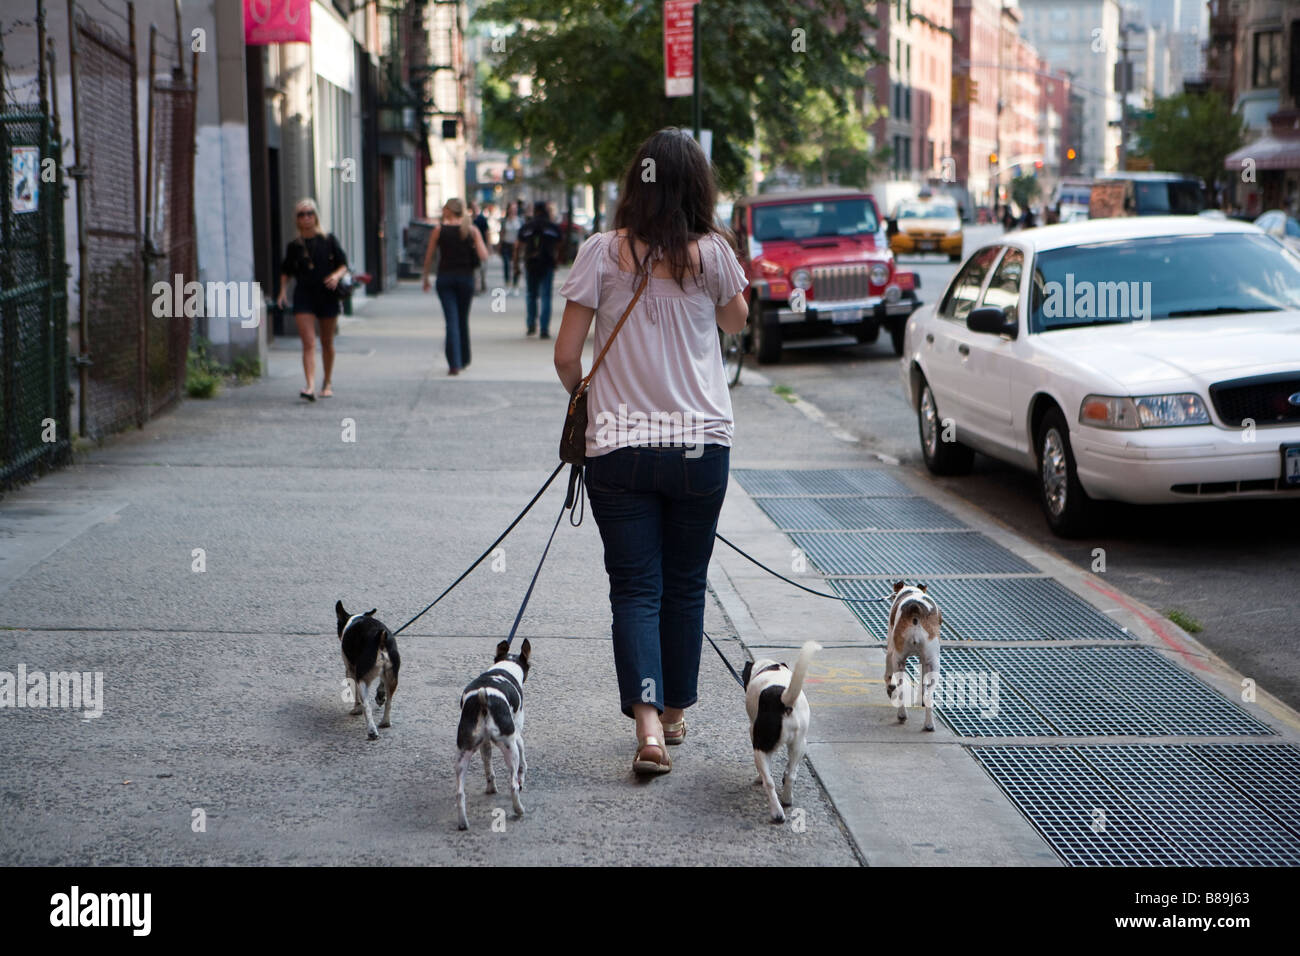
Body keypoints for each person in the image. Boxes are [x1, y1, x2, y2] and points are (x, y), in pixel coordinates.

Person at [554, 128, 749, 776]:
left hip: (620, 449)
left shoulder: (600, 255)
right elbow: (737, 322)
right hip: (699, 445)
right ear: (698, 188)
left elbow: (566, 354)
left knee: (636, 588)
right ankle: (673, 711)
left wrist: (593, 397)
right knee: (686, 584)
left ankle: (648, 730)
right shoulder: (712, 256)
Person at [277, 197, 349, 400]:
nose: (306, 217)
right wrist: (282, 291)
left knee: (326, 341)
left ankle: (327, 382)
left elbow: (343, 264)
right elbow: (286, 270)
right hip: (304, 295)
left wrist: (336, 276)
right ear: (297, 219)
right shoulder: (294, 246)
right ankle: (309, 385)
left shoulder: (328, 240)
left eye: (310, 213)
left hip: (327, 294)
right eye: (302, 214)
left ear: (316, 216)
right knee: (308, 342)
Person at [421, 198, 491, 376]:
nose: (443, 211)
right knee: (462, 319)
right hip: (465, 280)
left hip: (445, 279)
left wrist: (425, 278)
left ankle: (454, 363)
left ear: (450, 210)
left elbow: (429, 257)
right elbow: (484, 255)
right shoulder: (471, 230)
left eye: (444, 208)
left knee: (451, 321)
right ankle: (464, 359)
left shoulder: (438, 230)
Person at [515, 201, 563, 338]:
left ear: (535, 210)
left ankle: (531, 325)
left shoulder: (527, 227)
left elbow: (518, 246)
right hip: (547, 263)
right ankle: (544, 328)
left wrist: (516, 265)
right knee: (546, 296)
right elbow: (560, 244)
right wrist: (557, 259)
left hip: (530, 263)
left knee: (531, 294)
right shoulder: (552, 227)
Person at [499, 200, 523, 291]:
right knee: (506, 263)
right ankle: (507, 282)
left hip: (516, 246)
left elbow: (522, 234)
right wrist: (500, 245)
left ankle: (515, 284)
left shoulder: (520, 220)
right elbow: (502, 233)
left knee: (516, 265)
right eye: (512, 208)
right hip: (506, 244)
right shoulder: (504, 221)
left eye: (515, 208)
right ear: (508, 209)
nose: (514, 210)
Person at [471, 202, 491, 293]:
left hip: (482, 245)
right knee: (475, 268)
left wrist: (488, 246)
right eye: (472, 207)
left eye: (475, 206)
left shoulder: (482, 219)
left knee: (483, 267)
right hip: (472, 248)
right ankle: (477, 287)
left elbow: (487, 233)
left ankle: (482, 283)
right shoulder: (469, 220)